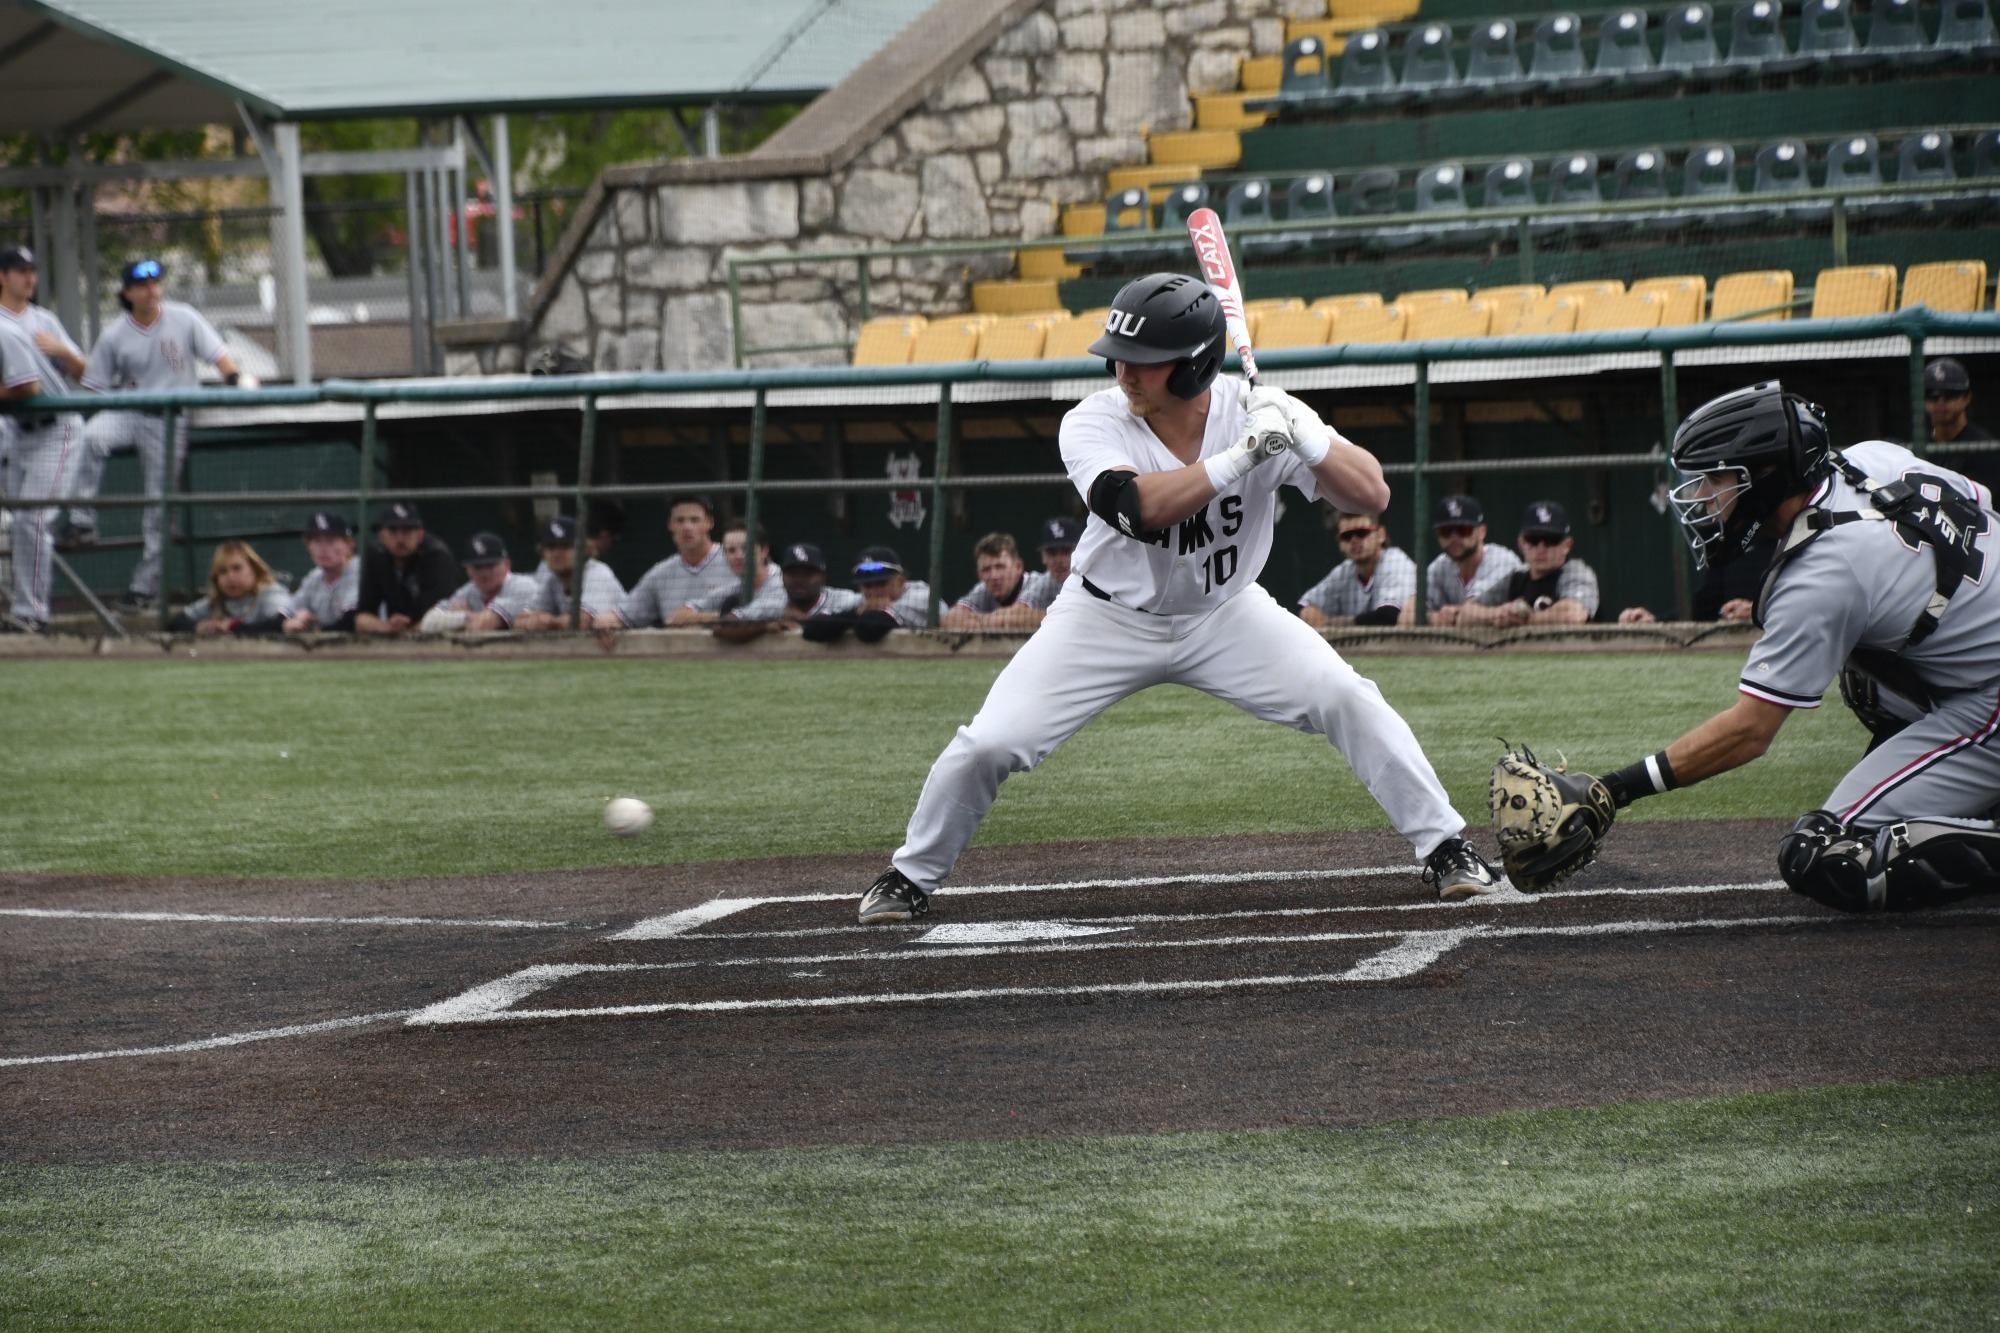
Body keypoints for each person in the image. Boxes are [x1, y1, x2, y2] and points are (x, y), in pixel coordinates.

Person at [855, 271, 1497, 924]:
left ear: (1193, 368)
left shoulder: (1259, 412)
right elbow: (1136, 508)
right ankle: (910, 874)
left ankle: (1445, 844)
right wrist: (1243, 457)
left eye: (1142, 362)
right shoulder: (1093, 421)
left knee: (1346, 696)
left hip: (1225, 613)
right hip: (1103, 616)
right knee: (990, 743)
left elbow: (1373, 495)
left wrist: (1310, 437)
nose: (1122, 372)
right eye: (1118, 357)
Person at [1583, 380, 2000, 905]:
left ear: (1764, 476)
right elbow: (1980, 502)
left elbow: (1750, 731)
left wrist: (1614, 789)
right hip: (1979, 666)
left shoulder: (1821, 573)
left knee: (1823, 856)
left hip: (1990, 700)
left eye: (1717, 478)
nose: (1703, 496)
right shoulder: (1869, 458)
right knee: (1864, 679)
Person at [70, 259, 252, 611]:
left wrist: (234, 378)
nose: (152, 289)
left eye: (156, 282)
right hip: (130, 410)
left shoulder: (183, 317)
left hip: (169, 421)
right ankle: (81, 520)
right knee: (90, 436)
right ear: (127, 293)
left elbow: (220, 357)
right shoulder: (115, 333)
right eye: (142, 284)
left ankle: (144, 588)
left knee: (158, 509)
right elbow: (94, 387)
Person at [0, 245, 86, 633]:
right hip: (20, 434)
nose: (28, 277)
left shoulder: (45, 321)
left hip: (56, 428)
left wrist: (65, 352)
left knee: (32, 520)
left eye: (32, 269)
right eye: (20, 270)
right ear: (3, 276)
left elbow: (87, 376)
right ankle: (22, 607)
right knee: (19, 522)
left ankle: (31, 613)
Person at [1453, 500, 1599, 626]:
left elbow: (1573, 615)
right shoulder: (1518, 577)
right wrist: (1498, 614)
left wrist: (1525, 620)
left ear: (1567, 545)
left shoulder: (1576, 571)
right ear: (1521, 544)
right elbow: (1465, 614)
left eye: (1551, 540)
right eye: (1533, 540)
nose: (1541, 549)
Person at [601, 495, 735, 628]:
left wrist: (694, 619)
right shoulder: (661, 573)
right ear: (671, 525)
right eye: (680, 520)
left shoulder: (734, 560)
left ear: (709, 523)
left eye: (695, 520)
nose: (687, 527)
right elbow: (623, 615)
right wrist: (607, 622)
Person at [714, 542, 862, 643]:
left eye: (807, 573)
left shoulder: (843, 599)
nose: (799, 579)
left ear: (823, 577)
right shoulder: (773, 602)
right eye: (792, 573)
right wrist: (764, 627)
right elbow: (721, 628)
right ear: (782, 577)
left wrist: (806, 620)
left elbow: (875, 606)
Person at [354, 501, 461, 634]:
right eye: (393, 531)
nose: (400, 539)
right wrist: (387, 627)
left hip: (434, 633)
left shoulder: (436, 556)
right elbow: (362, 617)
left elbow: (441, 612)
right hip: (393, 631)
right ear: (381, 535)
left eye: (407, 530)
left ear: (420, 535)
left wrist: (405, 628)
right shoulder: (376, 555)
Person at [1618, 533, 1774, 624]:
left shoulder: (1791, 541)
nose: (1702, 495)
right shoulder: (1731, 548)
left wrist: (1761, 610)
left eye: (1716, 481)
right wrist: (1655, 623)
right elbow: (1702, 607)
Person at [1297, 510, 1417, 627]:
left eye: (1361, 533)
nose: (1354, 540)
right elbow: (1304, 606)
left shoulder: (1395, 561)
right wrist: (1313, 616)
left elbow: (1388, 617)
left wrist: (1332, 623)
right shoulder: (1344, 571)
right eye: (1347, 536)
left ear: (1381, 535)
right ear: (1340, 544)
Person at [1423, 494, 1524, 626]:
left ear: (1482, 532)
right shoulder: (1440, 566)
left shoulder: (1501, 560)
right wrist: (1434, 618)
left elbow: (1468, 615)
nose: (1454, 537)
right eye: (1446, 531)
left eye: (1463, 530)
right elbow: (1406, 615)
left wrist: (1449, 616)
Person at [802, 545, 935, 643]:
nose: (874, 592)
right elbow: (811, 629)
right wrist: (857, 612)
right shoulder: (861, 602)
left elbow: (868, 630)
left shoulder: (922, 596)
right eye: (867, 585)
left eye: (881, 583)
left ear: (901, 581)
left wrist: (858, 614)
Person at [516, 515, 625, 631]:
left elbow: (582, 622)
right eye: (551, 547)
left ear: (584, 549)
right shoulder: (552, 578)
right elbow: (519, 621)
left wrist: (550, 622)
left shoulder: (598, 573)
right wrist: (532, 622)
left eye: (565, 546)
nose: (557, 554)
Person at [421, 532, 541, 632]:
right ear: (468, 570)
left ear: (507, 565)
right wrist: (465, 616)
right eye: (477, 567)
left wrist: (453, 620)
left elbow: (484, 625)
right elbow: (427, 623)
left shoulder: (523, 586)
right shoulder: (469, 590)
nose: (484, 573)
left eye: (490, 565)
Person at [168, 539, 291, 635]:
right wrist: (198, 627)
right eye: (222, 571)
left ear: (254, 569)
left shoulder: (270, 592)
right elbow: (175, 623)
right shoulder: (217, 602)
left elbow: (283, 621)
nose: (230, 577)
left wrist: (233, 628)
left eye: (237, 568)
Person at [940, 531, 1056, 630]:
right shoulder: (983, 589)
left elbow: (1015, 618)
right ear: (978, 574)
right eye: (986, 570)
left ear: (1018, 567)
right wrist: (992, 620)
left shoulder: (1037, 583)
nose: (994, 576)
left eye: (1000, 567)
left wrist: (978, 619)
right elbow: (949, 619)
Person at [669, 521, 776, 626]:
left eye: (746, 548)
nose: (738, 556)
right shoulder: (734, 589)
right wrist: (722, 616)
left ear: (764, 550)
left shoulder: (780, 583)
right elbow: (676, 618)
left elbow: (749, 617)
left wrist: (724, 617)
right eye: (731, 550)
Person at [1922, 357, 1997, 496]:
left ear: (1967, 398)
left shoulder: (1986, 450)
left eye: (1950, 395)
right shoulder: (1920, 449)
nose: (1941, 402)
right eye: (1932, 395)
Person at [282, 511, 360, 633]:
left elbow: (351, 622)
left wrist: (312, 630)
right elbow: (283, 615)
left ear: (349, 545)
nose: (323, 548)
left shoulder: (359, 571)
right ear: (308, 547)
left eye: (330, 540)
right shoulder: (315, 577)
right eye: (317, 541)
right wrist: (286, 624)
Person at [1037, 515, 1081, 588]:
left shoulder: (1096, 581)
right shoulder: (1040, 586)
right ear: (1043, 557)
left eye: (1066, 551)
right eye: (1052, 553)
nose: (1058, 560)